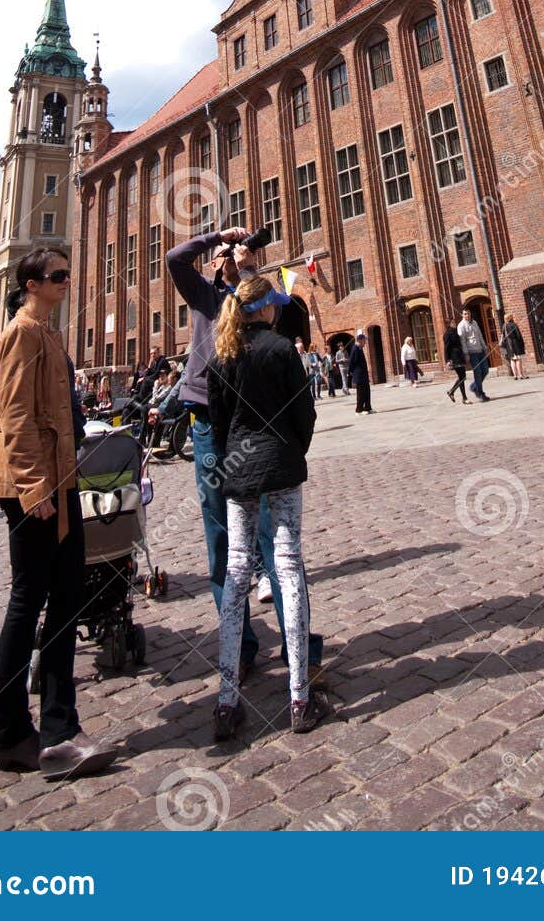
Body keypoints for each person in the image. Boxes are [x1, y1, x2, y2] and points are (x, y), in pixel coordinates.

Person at [0, 247, 117, 781]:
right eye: (58, 276)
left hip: (58, 478)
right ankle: (13, 732)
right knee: (28, 602)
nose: (66, 281)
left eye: (67, 273)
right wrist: (36, 486)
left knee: (67, 597)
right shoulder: (21, 333)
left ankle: (59, 728)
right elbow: (13, 415)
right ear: (32, 283)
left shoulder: (49, 333)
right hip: (29, 484)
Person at [167, 227, 324, 685]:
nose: (231, 256)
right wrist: (216, 236)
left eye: (236, 254)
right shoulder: (204, 295)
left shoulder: (256, 294)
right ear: (214, 262)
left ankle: (301, 646)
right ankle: (240, 646)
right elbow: (177, 258)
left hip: (257, 428)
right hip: (209, 424)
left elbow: (283, 314)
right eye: (223, 255)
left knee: (275, 542)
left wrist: (247, 260)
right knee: (224, 541)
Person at [207, 273, 331, 739]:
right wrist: (292, 451)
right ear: (265, 309)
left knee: (238, 573)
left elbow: (218, 429)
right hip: (280, 467)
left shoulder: (223, 354)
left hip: (238, 475)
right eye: (275, 304)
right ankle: (299, 698)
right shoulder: (282, 351)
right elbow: (304, 412)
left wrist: (234, 464)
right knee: (289, 565)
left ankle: (225, 702)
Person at [457, 307, 489, 401]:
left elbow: (480, 335)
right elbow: (462, 341)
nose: (467, 315)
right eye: (465, 314)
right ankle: (480, 393)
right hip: (471, 352)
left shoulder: (475, 322)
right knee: (478, 372)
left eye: (468, 313)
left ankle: (474, 387)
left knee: (485, 370)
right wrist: (466, 353)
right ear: (462, 315)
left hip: (480, 350)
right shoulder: (461, 325)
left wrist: (484, 347)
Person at [347, 330, 372, 414]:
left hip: (363, 374)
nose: (365, 342)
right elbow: (352, 362)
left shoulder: (360, 348)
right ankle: (359, 410)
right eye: (364, 340)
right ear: (360, 340)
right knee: (361, 393)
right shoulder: (355, 348)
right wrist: (350, 372)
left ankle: (367, 407)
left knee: (367, 391)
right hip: (359, 375)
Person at [444, 325, 469, 403]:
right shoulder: (447, 334)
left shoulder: (455, 332)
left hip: (459, 356)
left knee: (462, 377)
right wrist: (447, 360)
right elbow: (446, 347)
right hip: (454, 357)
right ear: (448, 323)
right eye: (452, 322)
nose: (454, 323)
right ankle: (463, 398)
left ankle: (452, 392)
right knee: (462, 377)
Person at [502, 315, 526, 381]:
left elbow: (503, 336)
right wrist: (522, 344)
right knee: (518, 359)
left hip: (508, 346)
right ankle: (520, 375)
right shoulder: (513, 325)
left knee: (512, 360)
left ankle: (515, 375)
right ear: (510, 318)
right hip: (515, 344)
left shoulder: (504, 326)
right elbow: (518, 335)